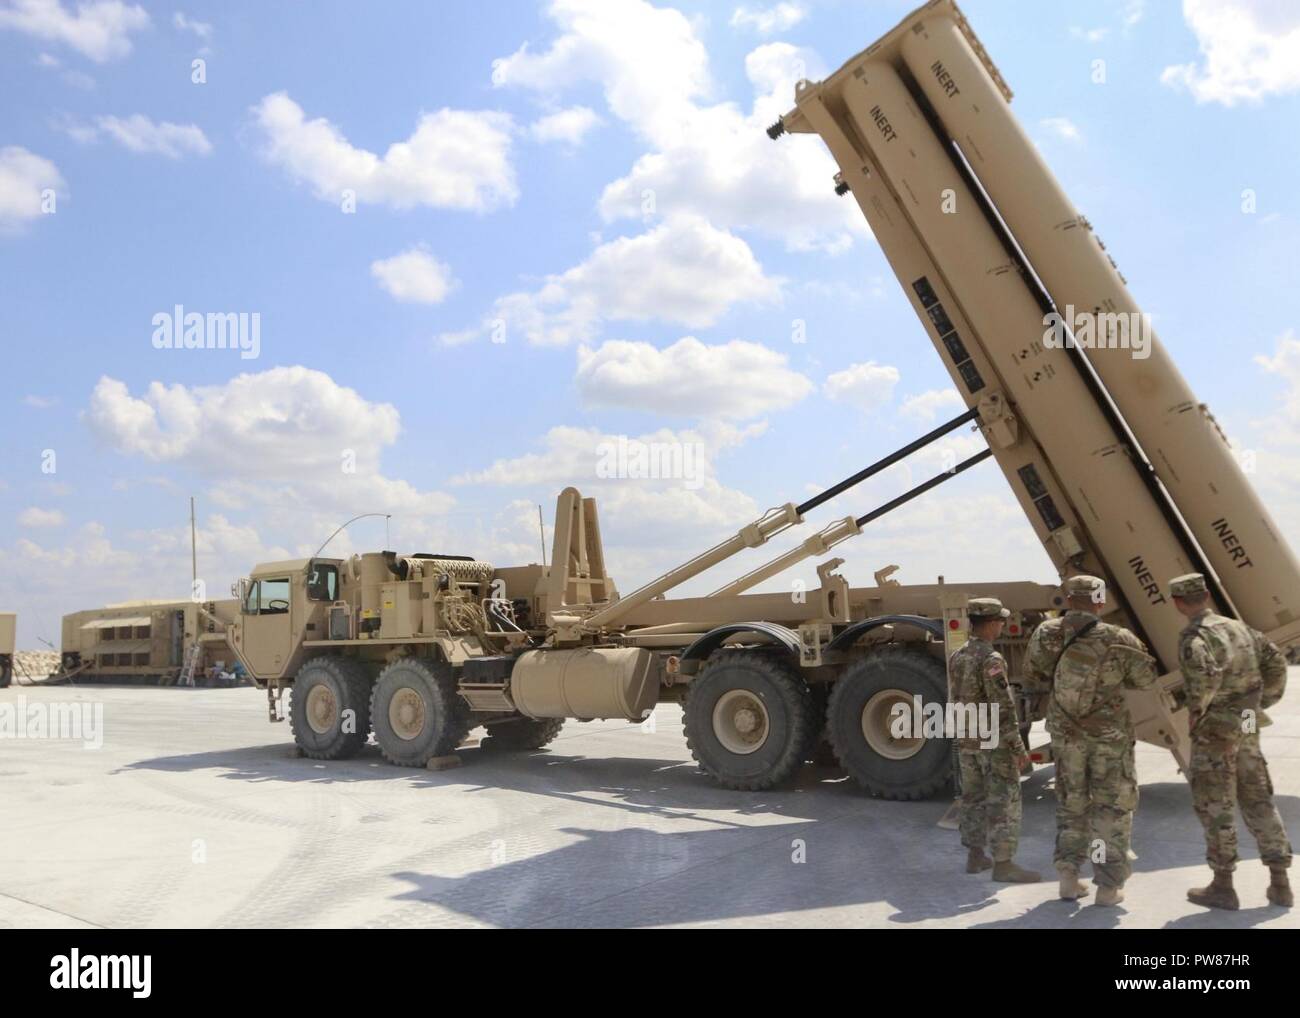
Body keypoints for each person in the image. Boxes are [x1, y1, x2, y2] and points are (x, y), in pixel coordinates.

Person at [1024, 575, 1156, 906]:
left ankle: (1069, 879)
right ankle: (1107, 887)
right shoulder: (1118, 637)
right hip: (1109, 739)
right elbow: (1144, 678)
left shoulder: (1046, 634)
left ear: (1068, 599)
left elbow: (1034, 673)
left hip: (1066, 736)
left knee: (1072, 805)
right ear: (1099, 600)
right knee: (1110, 809)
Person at [1170, 573, 1292, 909]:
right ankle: (1280, 882)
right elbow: (1276, 663)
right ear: (1207, 594)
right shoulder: (1240, 628)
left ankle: (1223, 885)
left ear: (1177, 602)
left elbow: (1204, 675)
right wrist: (1263, 700)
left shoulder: (1193, 636)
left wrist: (1197, 711)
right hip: (1248, 721)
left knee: (1216, 805)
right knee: (1258, 798)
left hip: (1216, 731)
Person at [949, 597, 1040, 882]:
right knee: (1004, 800)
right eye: (1000, 620)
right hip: (992, 742)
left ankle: (975, 857)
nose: (1003, 625)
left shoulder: (958, 655)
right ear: (989, 624)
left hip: (967, 741)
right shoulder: (991, 659)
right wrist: (1018, 747)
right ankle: (1004, 864)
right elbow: (1003, 707)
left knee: (972, 798)